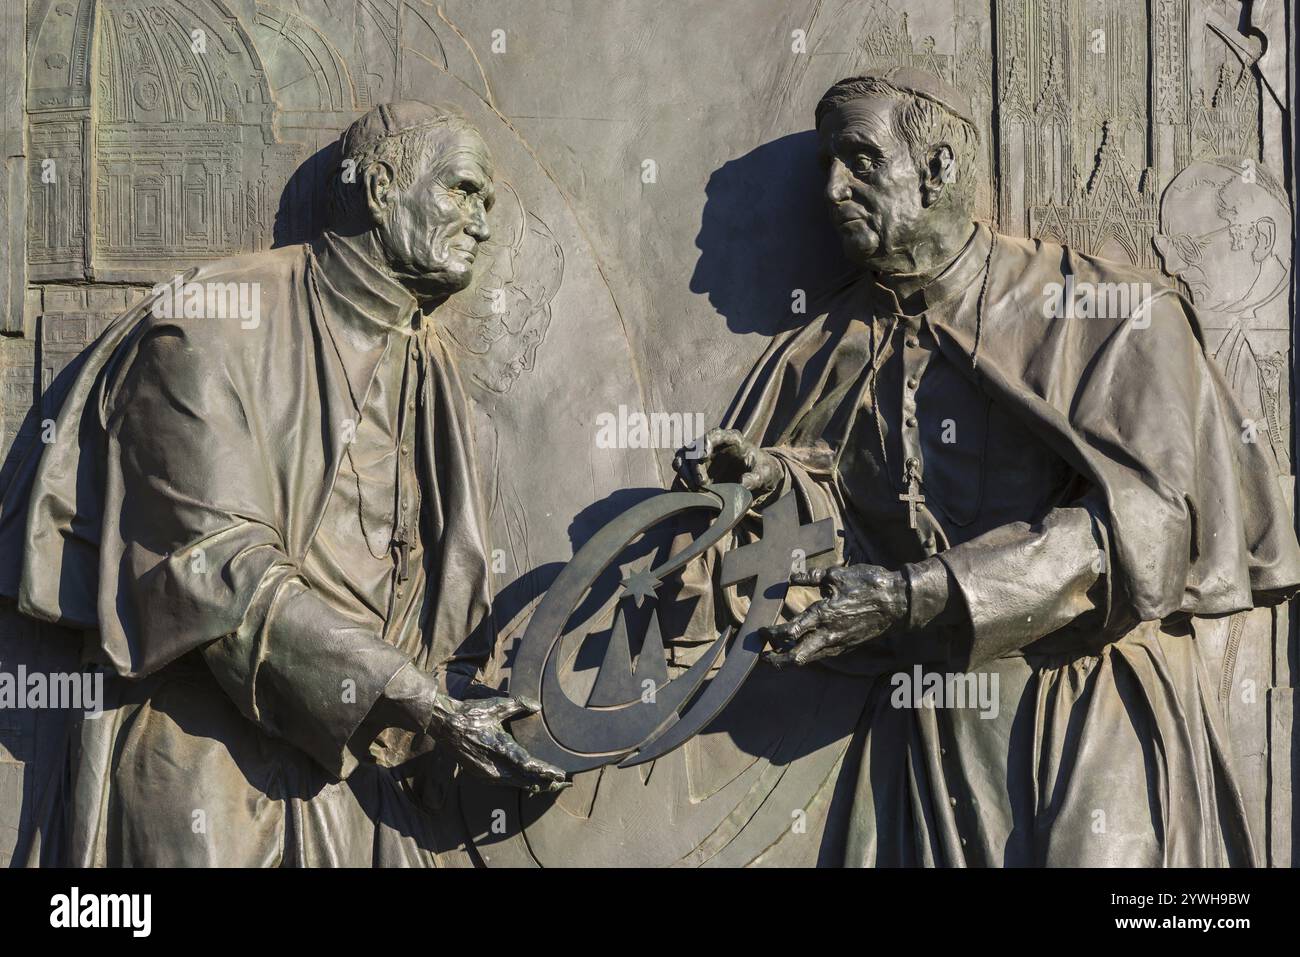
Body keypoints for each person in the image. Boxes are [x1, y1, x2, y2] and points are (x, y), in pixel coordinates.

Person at [679, 69, 1300, 866]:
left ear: (936, 168)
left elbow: (1142, 527)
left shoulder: (1110, 315)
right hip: (927, 729)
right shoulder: (829, 349)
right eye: (827, 167)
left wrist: (916, 593)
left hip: (1084, 713)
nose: (833, 189)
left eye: (861, 160)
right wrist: (771, 484)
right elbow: (846, 507)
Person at [0, 101, 565, 866]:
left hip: (362, 778)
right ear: (381, 188)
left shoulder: (428, 369)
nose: (483, 224)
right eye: (463, 191)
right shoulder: (208, 327)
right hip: (209, 774)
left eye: (488, 203)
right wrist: (416, 698)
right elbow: (214, 569)